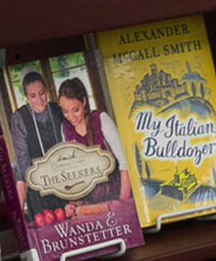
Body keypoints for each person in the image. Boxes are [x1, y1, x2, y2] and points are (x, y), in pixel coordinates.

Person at [57, 77, 130, 204]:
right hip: (90, 202)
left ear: (84, 102)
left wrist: (122, 202)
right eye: (65, 112)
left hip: (116, 195)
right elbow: (71, 174)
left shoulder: (101, 119)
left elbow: (125, 162)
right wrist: (74, 203)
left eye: (75, 110)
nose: (71, 117)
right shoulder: (65, 129)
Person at [8, 69, 64, 212]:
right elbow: (22, 164)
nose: (39, 100)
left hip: (65, 181)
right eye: (33, 96)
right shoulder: (20, 118)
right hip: (38, 188)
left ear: (47, 90)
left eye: (42, 93)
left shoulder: (58, 110)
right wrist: (19, 212)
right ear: (26, 96)